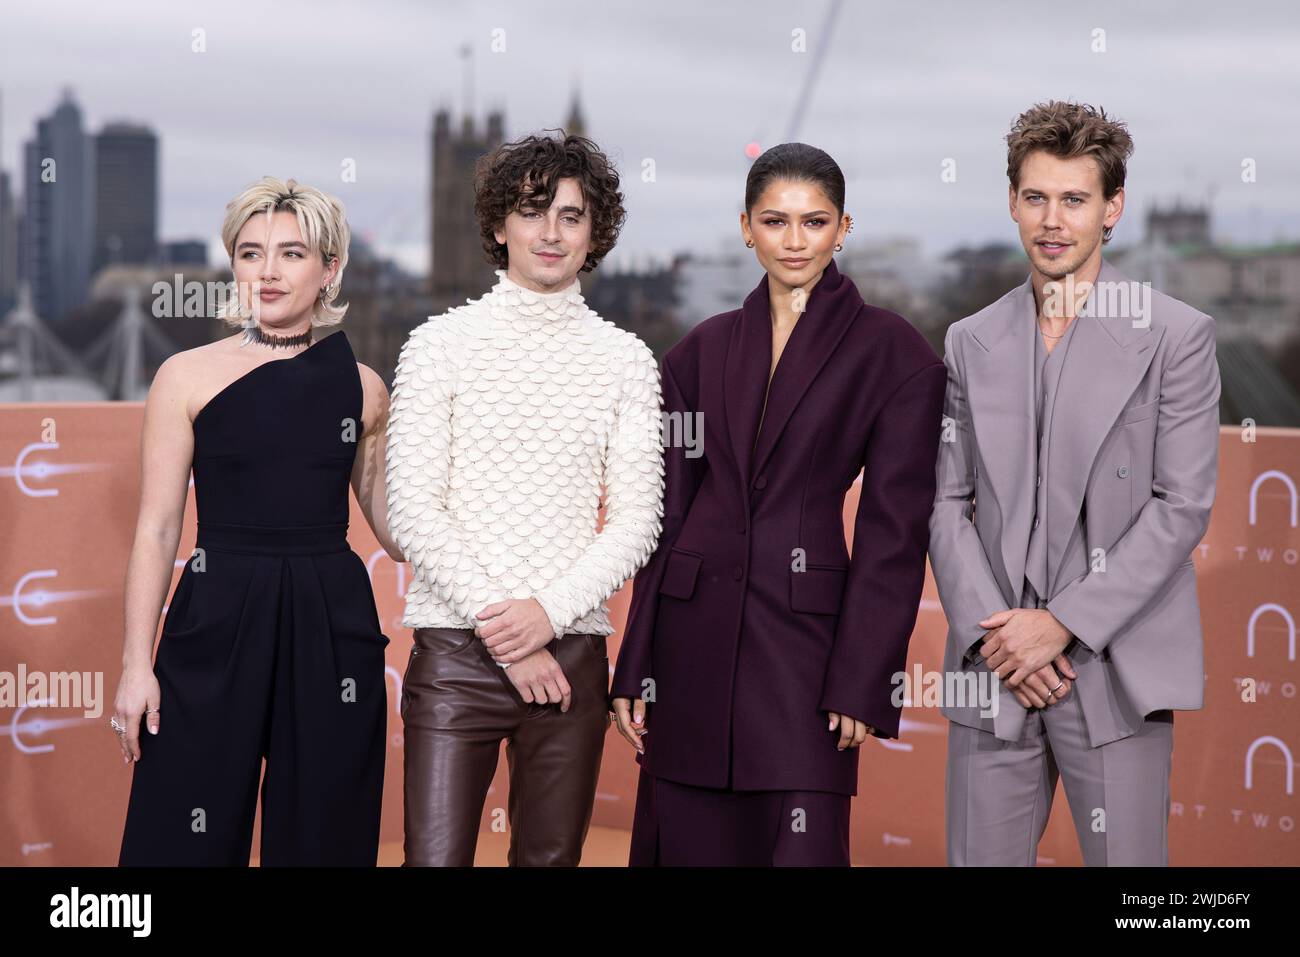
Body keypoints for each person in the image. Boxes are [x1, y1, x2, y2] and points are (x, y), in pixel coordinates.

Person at [609, 143, 947, 866]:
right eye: (775, 221)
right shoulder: (697, 352)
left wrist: (865, 678)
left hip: (806, 658)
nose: (795, 241)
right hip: (688, 647)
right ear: (745, 228)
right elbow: (668, 520)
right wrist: (635, 664)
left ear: (844, 228)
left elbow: (895, 535)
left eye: (815, 221)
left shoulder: (896, 355)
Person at [928, 101, 1221, 866]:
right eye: (1036, 197)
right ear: (1013, 202)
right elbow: (947, 503)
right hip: (993, 671)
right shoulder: (970, 339)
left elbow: (1181, 505)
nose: (1052, 220)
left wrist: (1058, 624)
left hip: (1112, 668)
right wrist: (1001, 641)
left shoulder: (1175, 336)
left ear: (1112, 208)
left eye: (1074, 199)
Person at [387, 132, 664, 866]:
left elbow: (638, 522)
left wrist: (546, 616)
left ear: (594, 232)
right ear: (499, 224)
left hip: (570, 658)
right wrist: (511, 637)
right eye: (532, 210)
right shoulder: (436, 346)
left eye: (570, 215)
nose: (550, 232)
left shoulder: (627, 360)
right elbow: (415, 510)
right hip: (455, 658)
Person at [114, 176, 402, 866]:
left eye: (291, 253)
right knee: (177, 840)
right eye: (250, 253)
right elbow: (157, 529)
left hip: (331, 625)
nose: (267, 271)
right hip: (214, 616)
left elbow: (397, 530)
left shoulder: (363, 387)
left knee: (324, 838)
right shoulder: (184, 376)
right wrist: (134, 663)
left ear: (330, 269)